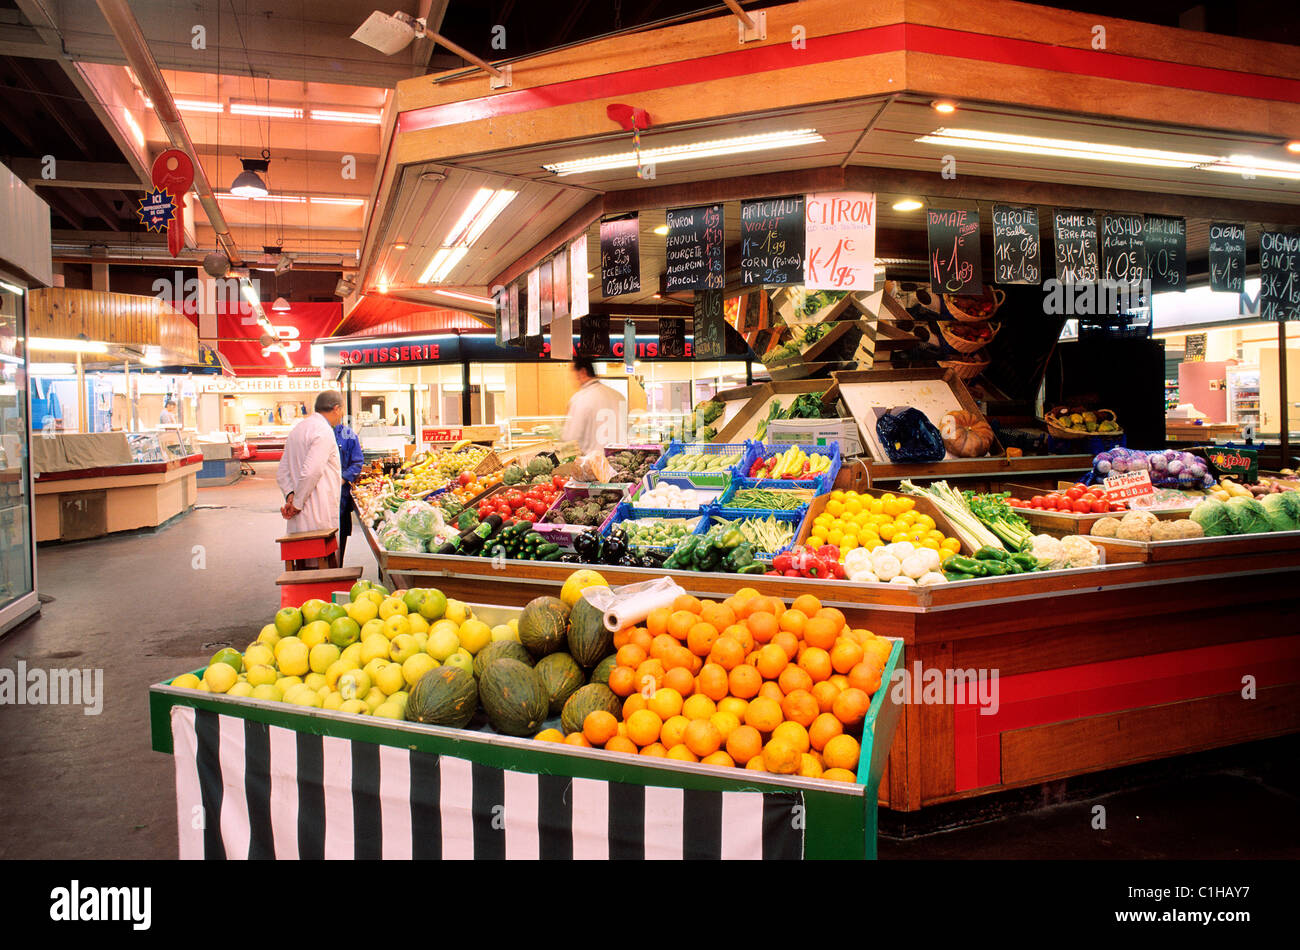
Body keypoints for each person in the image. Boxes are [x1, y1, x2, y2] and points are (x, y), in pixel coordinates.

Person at [276, 391, 343, 538]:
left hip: (299, 509)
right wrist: (297, 504)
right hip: (318, 509)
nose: (341, 415)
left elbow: (282, 472)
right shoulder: (323, 431)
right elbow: (311, 471)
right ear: (336, 409)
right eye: (342, 410)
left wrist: (290, 496)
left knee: (302, 557)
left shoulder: (297, 429)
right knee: (320, 558)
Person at [561, 356, 627, 454]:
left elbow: (571, 438)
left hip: (593, 464)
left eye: (574, 376)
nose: (573, 380)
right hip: (620, 462)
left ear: (583, 372)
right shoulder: (619, 396)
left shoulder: (580, 398)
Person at [334, 410, 365, 563]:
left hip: (342, 498)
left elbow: (357, 462)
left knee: (341, 537)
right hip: (320, 498)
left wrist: (343, 478)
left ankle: (338, 567)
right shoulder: (316, 434)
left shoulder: (348, 434)